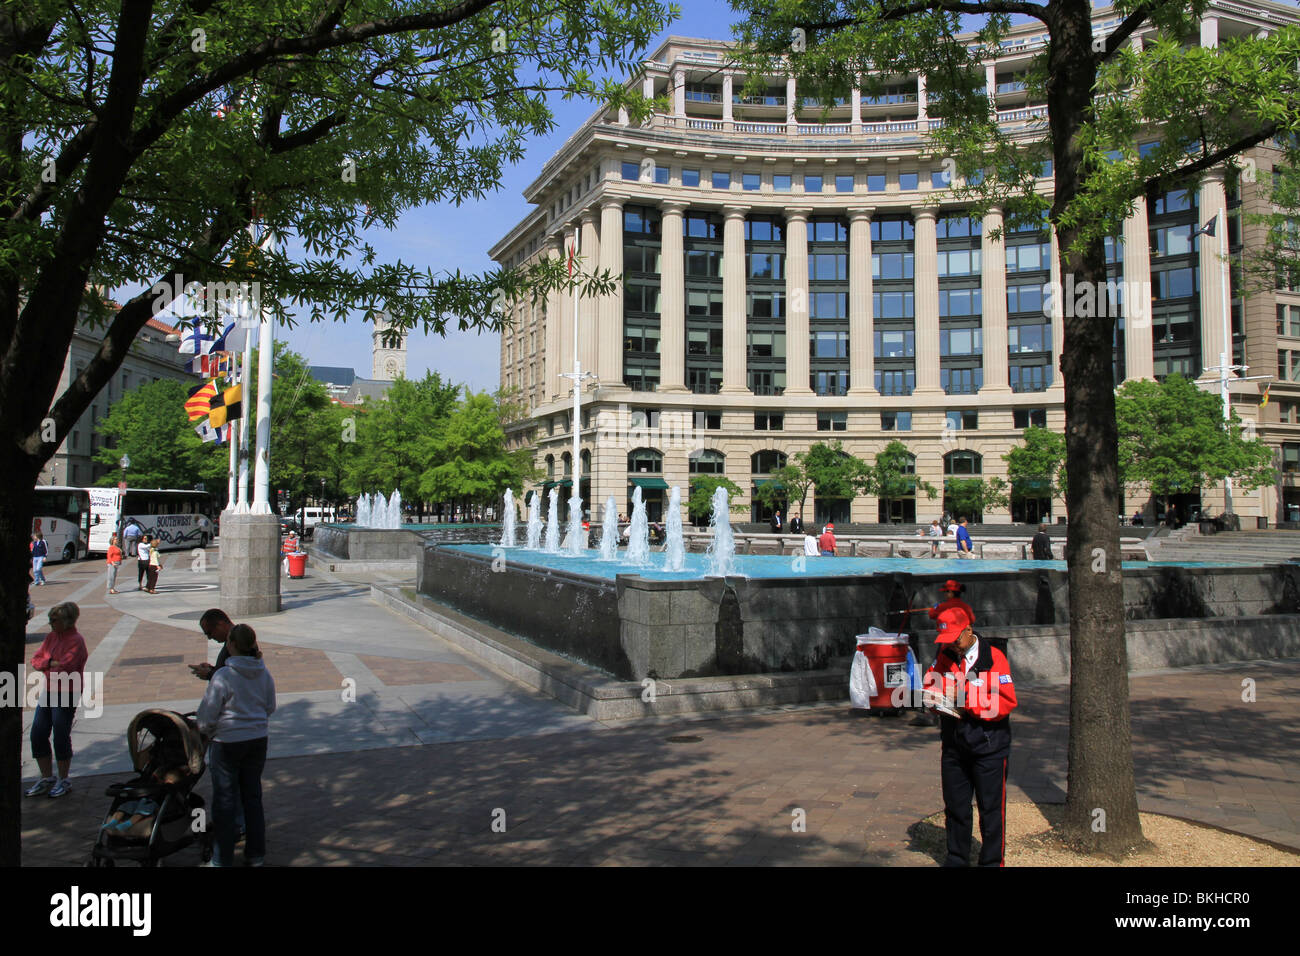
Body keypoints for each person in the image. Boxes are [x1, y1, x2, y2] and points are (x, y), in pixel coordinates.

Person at [924, 605, 1016, 867]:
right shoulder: (945, 655)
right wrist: (930, 698)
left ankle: (991, 862)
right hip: (954, 745)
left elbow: (1005, 702)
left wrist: (964, 699)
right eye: (947, 641)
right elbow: (931, 684)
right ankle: (956, 859)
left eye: (955, 639)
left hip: (990, 747)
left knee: (991, 811)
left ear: (968, 630)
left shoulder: (994, 657)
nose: (952, 645)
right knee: (955, 807)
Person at [197, 623, 276, 867]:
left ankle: (222, 858)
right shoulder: (264, 673)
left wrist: (205, 731)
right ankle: (256, 854)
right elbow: (270, 706)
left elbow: (207, 715)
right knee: (252, 797)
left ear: (231, 645)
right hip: (257, 740)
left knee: (225, 800)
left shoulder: (223, 676)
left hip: (227, 742)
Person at [25, 602, 89, 799]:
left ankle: (64, 778)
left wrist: (47, 665)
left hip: (67, 691)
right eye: (50, 619)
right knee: (37, 733)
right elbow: (35, 660)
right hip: (49, 690)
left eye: (54, 620)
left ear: (66, 621)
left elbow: (67, 667)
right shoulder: (52, 637)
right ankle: (47, 777)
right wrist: (49, 663)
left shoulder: (76, 640)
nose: (50, 623)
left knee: (60, 734)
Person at [189, 608, 233, 681]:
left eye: (210, 633)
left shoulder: (238, 640)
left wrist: (209, 674)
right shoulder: (232, 638)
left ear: (221, 624)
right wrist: (211, 669)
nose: (209, 637)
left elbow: (241, 675)